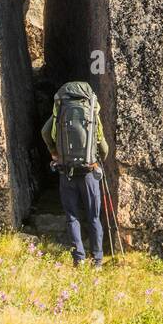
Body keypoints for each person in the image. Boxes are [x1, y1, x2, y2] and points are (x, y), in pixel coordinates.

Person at [41, 80, 109, 268]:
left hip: (67, 173)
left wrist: (54, 153)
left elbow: (45, 132)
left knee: (72, 217)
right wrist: (99, 160)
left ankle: (78, 258)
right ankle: (97, 260)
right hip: (89, 173)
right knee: (94, 217)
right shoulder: (91, 111)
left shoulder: (60, 109)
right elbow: (103, 146)